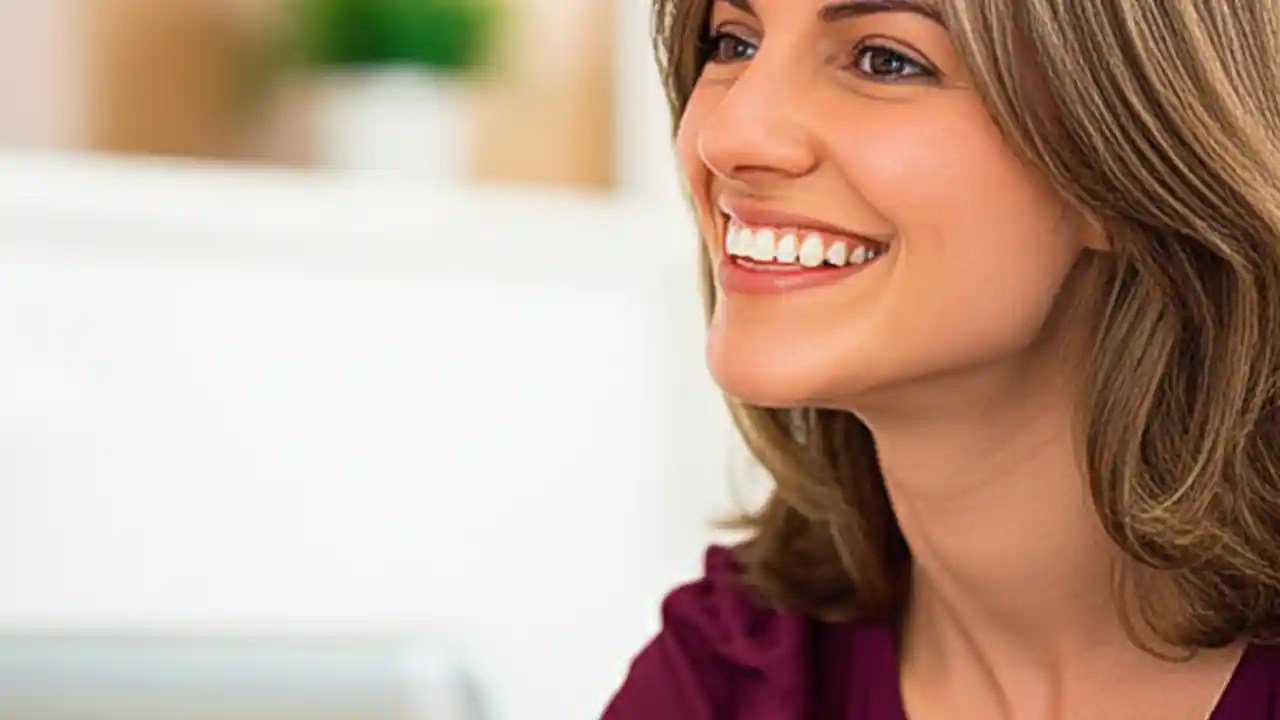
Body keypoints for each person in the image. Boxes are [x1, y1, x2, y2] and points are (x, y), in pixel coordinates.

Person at [603, 0, 1280, 718]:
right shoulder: (726, 678)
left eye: (885, 61)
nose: (731, 133)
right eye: (732, 44)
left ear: (1130, 147)